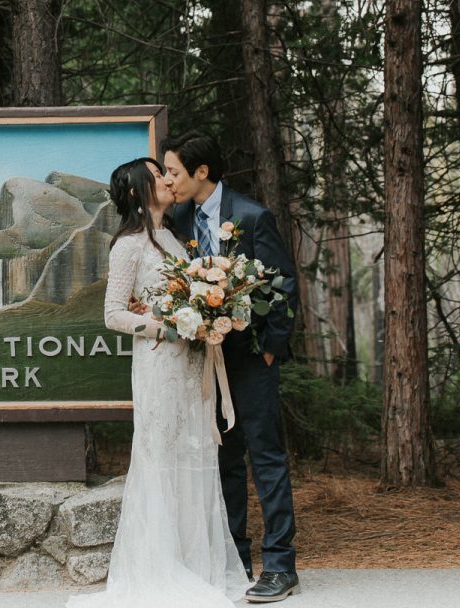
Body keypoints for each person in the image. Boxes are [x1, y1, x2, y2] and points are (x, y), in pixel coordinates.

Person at [68, 157, 248, 608]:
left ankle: (194, 564)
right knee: (162, 455)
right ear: (137, 190)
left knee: (192, 453)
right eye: (157, 174)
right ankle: (159, 568)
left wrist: (207, 315)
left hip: (190, 366)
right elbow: (113, 314)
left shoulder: (169, 234)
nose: (168, 179)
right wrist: (166, 328)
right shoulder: (129, 245)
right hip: (159, 365)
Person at [163, 130, 300, 604]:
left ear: (201, 172)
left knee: (264, 456)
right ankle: (234, 556)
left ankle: (280, 564)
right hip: (202, 363)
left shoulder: (251, 216)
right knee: (222, 459)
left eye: (174, 172)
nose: (168, 180)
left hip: (249, 360)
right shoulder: (175, 220)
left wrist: (270, 349)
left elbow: (282, 285)